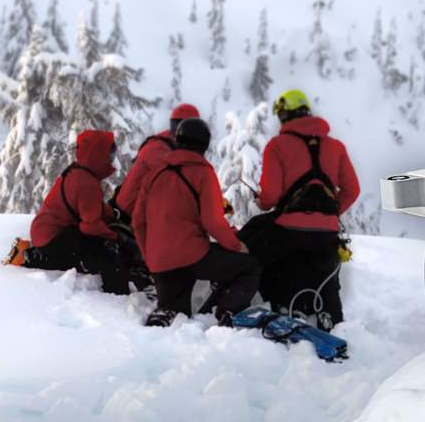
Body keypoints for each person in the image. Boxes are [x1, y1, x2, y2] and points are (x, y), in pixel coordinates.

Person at [248, 89, 360, 331]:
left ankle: (278, 305)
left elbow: (270, 197)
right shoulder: (336, 146)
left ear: (284, 115)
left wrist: (261, 203)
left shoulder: (277, 146)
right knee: (324, 274)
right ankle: (327, 315)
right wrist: (327, 214)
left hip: (288, 230)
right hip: (327, 233)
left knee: (254, 245)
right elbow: (352, 189)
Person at [134, 117, 261, 327]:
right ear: (205, 145)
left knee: (175, 315)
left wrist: (151, 257)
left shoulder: (155, 173)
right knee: (249, 267)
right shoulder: (203, 172)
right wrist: (237, 245)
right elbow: (213, 222)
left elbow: (138, 221)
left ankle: (164, 321)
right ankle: (226, 315)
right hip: (192, 256)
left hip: (159, 262)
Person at [3, 130, 132, 295]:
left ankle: (34, 254)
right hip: (53, 238)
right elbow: (90, 227)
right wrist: (118, 238)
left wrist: (111, 217)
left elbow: (93, 207)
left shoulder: (79, 172)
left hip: (46, 232)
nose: (112, 158)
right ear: (98, 155)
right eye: (110, 153)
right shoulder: (88, 183)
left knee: (95, 246)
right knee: (107, 254)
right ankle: (117, 296)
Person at [115, 103, 200, 220]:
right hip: (129, 216)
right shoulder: (158, 149)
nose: (178, 132)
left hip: (143, 215)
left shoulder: (174, 145)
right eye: (175, 126)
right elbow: (179, 182)